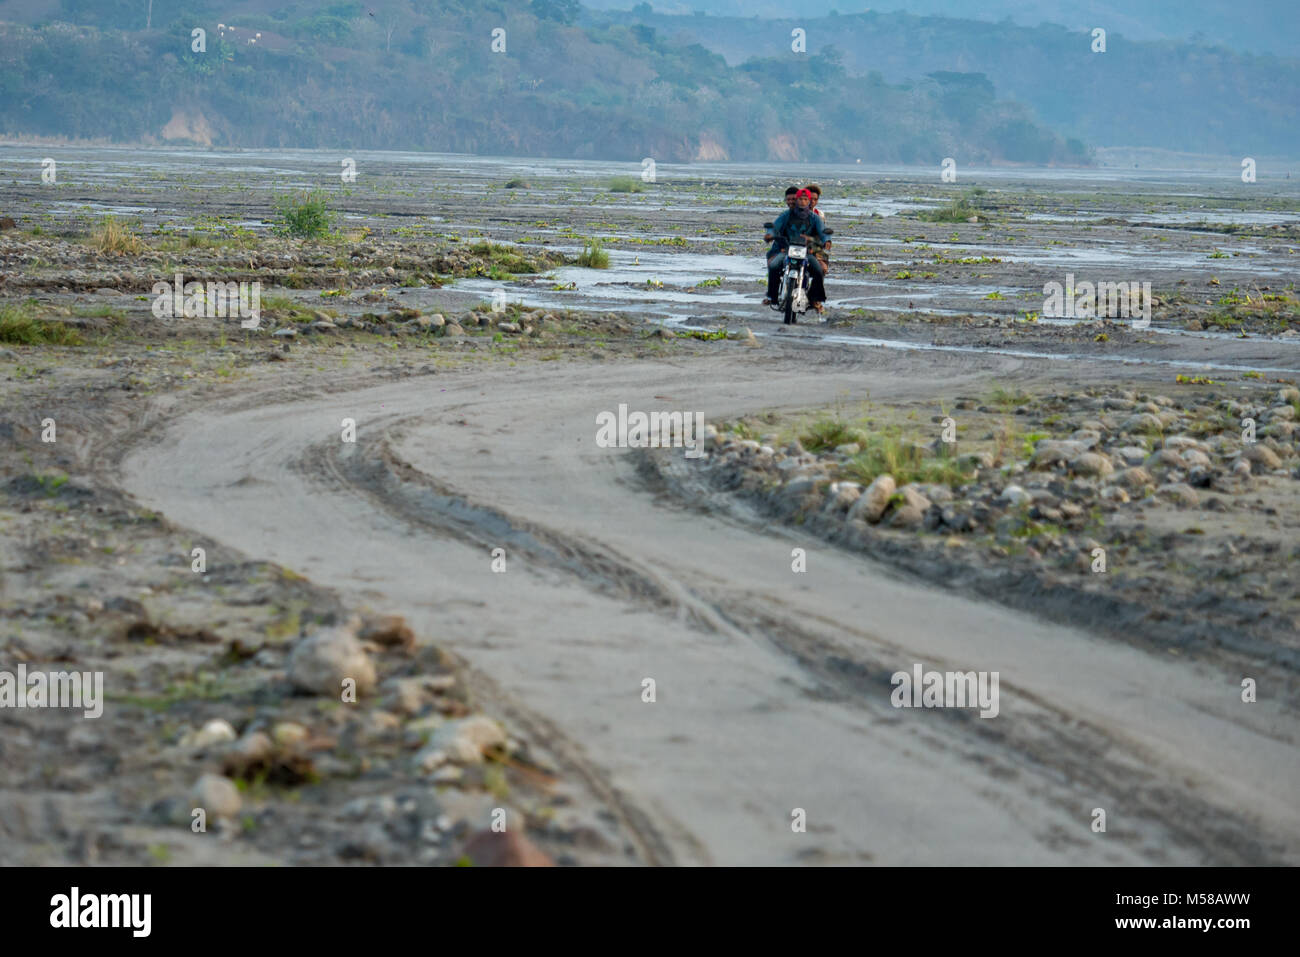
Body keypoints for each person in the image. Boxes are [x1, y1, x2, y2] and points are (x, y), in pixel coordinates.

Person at [765, 188, 830, 311]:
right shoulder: (787, 214)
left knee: (819, 270)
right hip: (788, 249)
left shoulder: (815, 217)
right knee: (773, 266)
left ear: (809, 201)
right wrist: (770, 234)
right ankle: (772, 296)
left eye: (806, 199)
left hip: (807, 251)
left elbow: (822, 232)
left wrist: (827, 240)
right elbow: (775, 227)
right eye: (800, 199)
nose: (803, 202)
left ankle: (814, 298)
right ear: (797, 199)